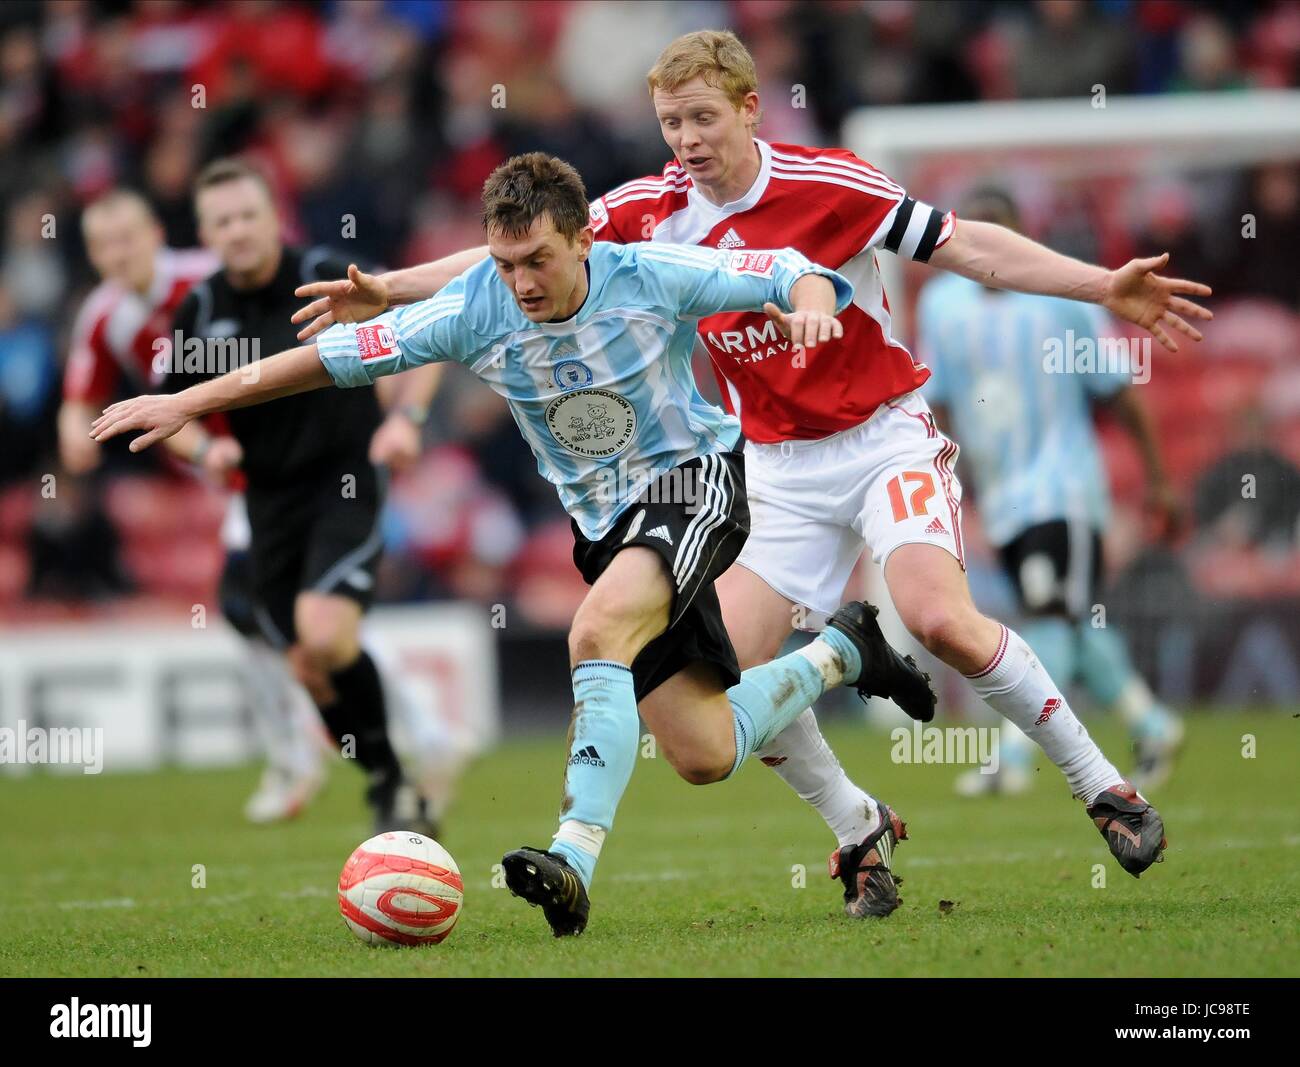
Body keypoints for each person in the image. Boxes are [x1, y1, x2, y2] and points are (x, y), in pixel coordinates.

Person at [290, 30, 1214, 897]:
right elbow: (523, 249)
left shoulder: (832, 182)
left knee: (941, 620)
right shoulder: (648, 209)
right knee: (731, 676)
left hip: (881, 433)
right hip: (770, 464)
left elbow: (971, 246)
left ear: (748, 108)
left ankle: (1105, 788)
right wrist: (393, 286)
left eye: (701, 118)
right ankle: (858, 825)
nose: (685, 140)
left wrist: (1103, 284)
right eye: (669, 122)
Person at [90, 151, 936, 937]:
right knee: (704, 751)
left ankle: (571, 857)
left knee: (596, 632)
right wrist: (188, 404)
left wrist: (814, 306)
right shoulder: (473, 309)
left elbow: (790, 270)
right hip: (603, 528)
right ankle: (844, 651)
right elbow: (318, 360)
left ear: (584, 237)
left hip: (694, 484)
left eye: (538, 259)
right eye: (504, 262)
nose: (521, 282)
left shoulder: (650, 275)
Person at [159, 158, 445, 833]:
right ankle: (386, 774)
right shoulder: (199, 311)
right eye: (221, 220)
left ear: (273, 216)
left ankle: (396, 783)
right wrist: (206, 448)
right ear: (205, 232)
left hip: (346, 478)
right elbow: (169, 413)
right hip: (267, 498)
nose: (237, 230)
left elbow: (432, 328)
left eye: (248, 214)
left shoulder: (326, 273)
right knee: (309, 664)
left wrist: (406, 418)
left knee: (323, 632)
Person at [917, 187, 1185, 796]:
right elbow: (943, 400)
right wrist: (950, 477)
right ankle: (1152, 722)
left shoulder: (1063, 302)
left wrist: (1160, 482)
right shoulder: (943, 304)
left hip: (1063, 491)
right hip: (1006, 500)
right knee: (1067, 622)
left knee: (1047, 617)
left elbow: (1118, 390)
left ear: (1018, 237)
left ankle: (1013, 760)